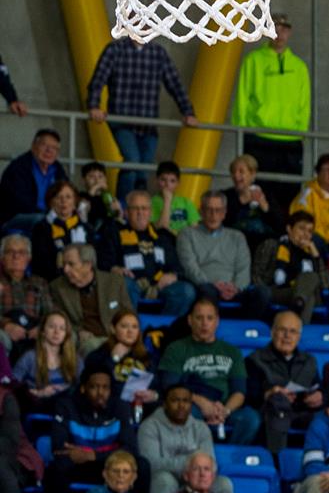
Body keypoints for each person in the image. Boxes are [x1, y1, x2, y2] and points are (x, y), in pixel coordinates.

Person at [85, 40, 195, 199]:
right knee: (132, 161)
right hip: (122, 120)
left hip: (148, 124)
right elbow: (98, 79)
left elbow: (175, 84)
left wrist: (188, 112)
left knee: (143, 171)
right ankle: (123, 208)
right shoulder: (115, 49)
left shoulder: (158, 53)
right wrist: (93, 106)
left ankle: (139, 209)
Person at [156, 298, 259, 445]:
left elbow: (239, 392)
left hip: (224, 408)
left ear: (217, 321)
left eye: (209, 318)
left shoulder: (232, 352)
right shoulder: (176, 349)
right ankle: (195, 458)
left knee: (251, 418)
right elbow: (170, 388)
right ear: (190, 320)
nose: (204, 323)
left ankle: (230, 457)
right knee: (185, 413)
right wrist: (202, 403)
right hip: (192, 405)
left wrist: (225, 411)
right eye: (199, 318)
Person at [232, 12, 309, 201]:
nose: (279, 33)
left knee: (289, 194)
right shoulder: (253, 61)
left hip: (290, 139)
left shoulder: (299, 66)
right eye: (275, 27)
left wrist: (300, 132)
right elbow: (242, 98)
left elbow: (304, 103)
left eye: (284, 28)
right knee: (257, 192)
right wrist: (242, 131)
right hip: (259, 137)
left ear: (289, 32)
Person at [101, 187, 192, 315]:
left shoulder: (162, 236)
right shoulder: (114, 233)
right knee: (124, 285)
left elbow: (177, 268)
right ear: (126, 212)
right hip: (131, 285)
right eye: (135, 208)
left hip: (160, 287)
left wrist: (173, 275)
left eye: (144, 208)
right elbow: (104, 263)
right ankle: (131, 330)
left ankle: (166, 330)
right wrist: (115, 269)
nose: (140, 212)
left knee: (186, 291)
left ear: (150, 212)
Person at [245, 308, 323, 457]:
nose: (287, 336)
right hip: (271, 413)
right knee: (278, 401)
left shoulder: (309, 361)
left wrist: (319, 396)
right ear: (272, 332)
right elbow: (249, 395)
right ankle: (277, 463)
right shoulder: (255, 360)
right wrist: (269, 393)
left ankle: (320, 464)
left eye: (293, 332)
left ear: (299, 336)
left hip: (302, 411)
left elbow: (319, 387)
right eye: (282, 330)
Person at [176, 192, 262, 314]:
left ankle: (249, 329)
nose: (213, 215)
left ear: (224, 213)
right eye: (209, 210)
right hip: (204, 286)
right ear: (201, 211)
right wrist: (213, 285)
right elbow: (190, 268)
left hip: (233, 289)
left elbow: (243, 269)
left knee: (262, 293)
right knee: (207, 290)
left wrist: (236, 288)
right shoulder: (187, 234)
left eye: (218, 210)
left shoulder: (237, 237)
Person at [254, 207, 328, 322]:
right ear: (289, 228)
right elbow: (257, 275)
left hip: (300, 294)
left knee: (310, 278)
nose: (305, 234)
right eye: (302, 228)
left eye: (309, 231)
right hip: (277, 292)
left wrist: (316, 257)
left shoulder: (312, 253)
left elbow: (326, 285)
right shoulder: (272, 245)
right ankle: (299, 330)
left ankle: (298, 303)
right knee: (308, 297)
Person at [0, 127, 67, 222]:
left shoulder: (57, 168)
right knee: (42, 221)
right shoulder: (18, 167)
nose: (49, 150)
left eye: (54, 148)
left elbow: (68, 191)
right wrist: (50, 214)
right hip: (17, 217)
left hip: (49, 216)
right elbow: (18, 203)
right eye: (44, 145)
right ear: (33, 146)